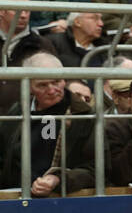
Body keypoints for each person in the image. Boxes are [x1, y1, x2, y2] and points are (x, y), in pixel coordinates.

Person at [0, 52, 96, 195]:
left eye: (56, 82)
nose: (52, 90)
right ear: (29, 86)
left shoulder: (84, 116)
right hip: (15, 196)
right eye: (42, 85)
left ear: (64, 80)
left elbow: (95, 168)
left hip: (62, 199)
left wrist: (59, 179)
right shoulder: (17, 111)